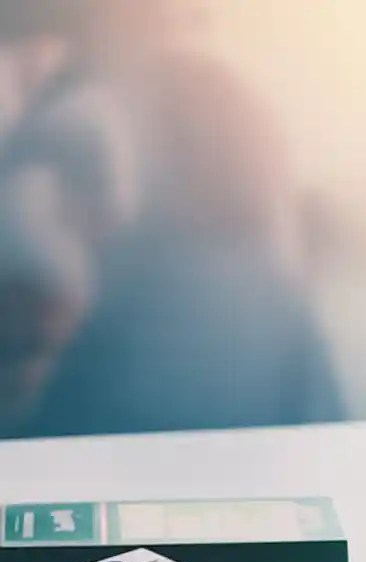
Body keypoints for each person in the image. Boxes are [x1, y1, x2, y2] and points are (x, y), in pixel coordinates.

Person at [0, 1, 345, 438]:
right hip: (284, 421)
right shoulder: (225, 100)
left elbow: (33, 282)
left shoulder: (81, 117)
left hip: (134, 429)